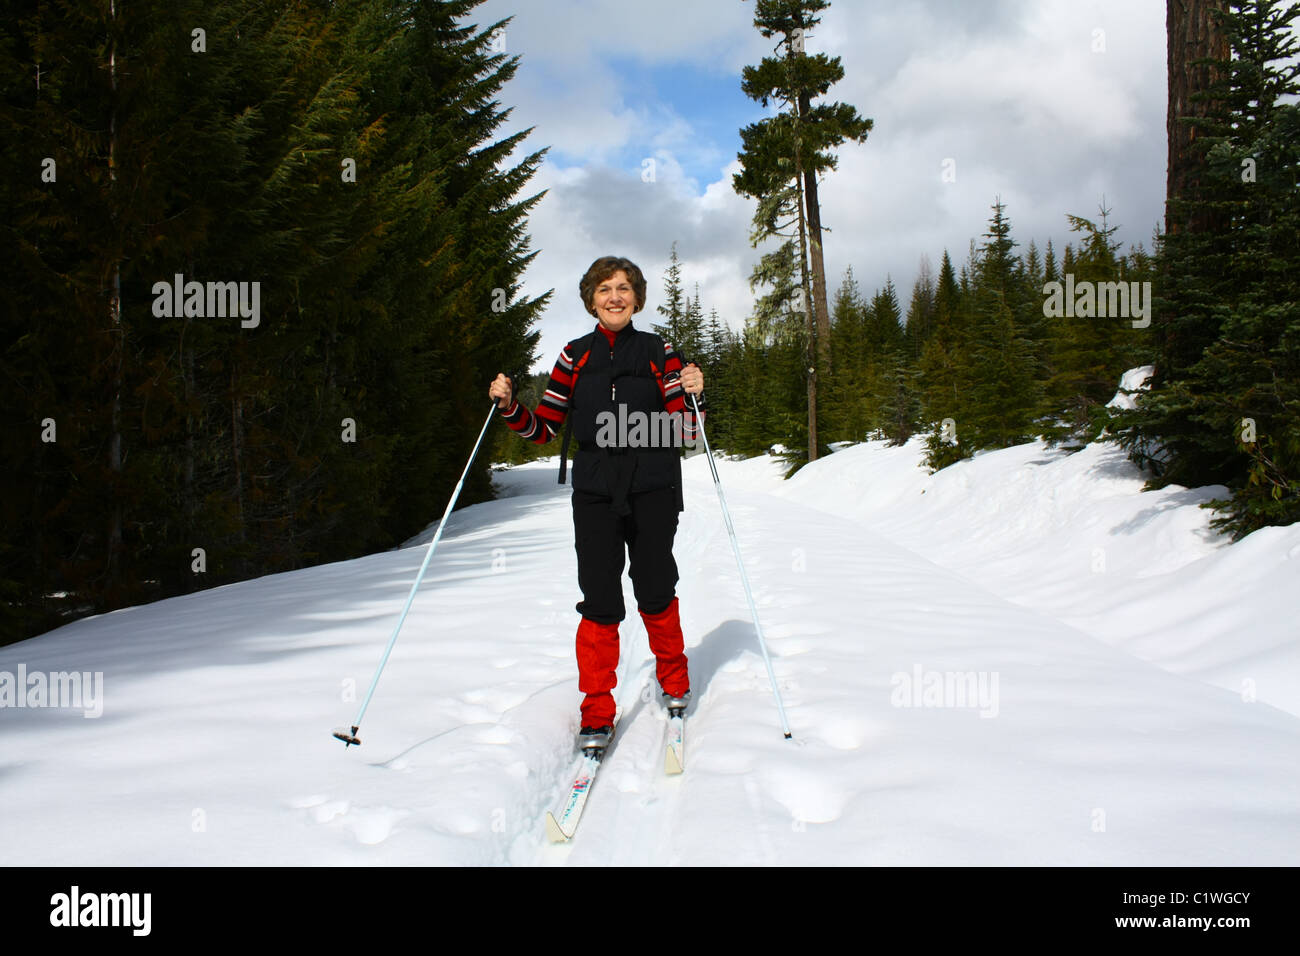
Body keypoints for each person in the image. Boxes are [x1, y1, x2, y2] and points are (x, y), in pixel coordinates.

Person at [489, 255, 706, 753]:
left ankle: (674, 682)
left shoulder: (659, 351)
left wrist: (693, 394)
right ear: (591, 298)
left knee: (655, 586)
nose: (615, 296)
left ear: (637, 298)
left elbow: (688, 432)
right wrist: (507, 406)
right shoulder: (574, 355)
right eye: (605, 288)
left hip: (653, 483)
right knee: (600, 597)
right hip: (594, 489)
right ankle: (597, 709)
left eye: (625, 287)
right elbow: (543, 429)